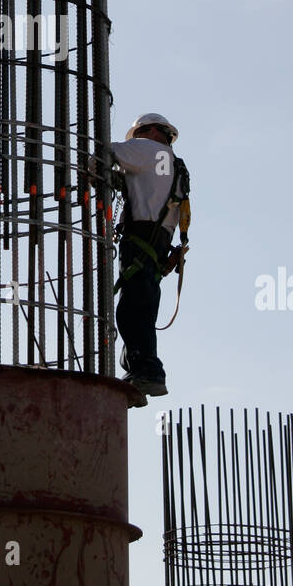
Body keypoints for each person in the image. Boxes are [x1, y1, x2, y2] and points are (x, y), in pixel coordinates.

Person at [109, 113, 189, 402]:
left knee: (130, 312)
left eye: (140, 134)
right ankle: (141, 372)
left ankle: (146, 370)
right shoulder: (175, 166)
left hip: (140, 242)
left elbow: (106, 152)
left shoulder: (147, 150)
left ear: (151, 131)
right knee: (141, 311)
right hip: (157, 249)